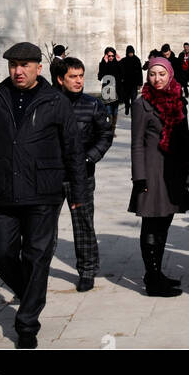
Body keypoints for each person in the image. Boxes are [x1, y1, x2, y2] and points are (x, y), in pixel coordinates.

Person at [0, 41, 87, 350]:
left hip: (43, 191)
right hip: (3, 189)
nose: (18, 70)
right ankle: (30, 292)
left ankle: (27, 322)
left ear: (38, 68)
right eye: (14, 65)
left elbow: (73, 147)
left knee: (37, 255)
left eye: (25, 65)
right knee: (2, 254)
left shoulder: (55, 100)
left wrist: (78, 191)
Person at [129, 54, 189, 297]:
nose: (156, 79)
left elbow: (184, 136)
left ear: (170, 75)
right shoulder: (141, 104)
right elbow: (136, 144)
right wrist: (139, 178)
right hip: (152, 172)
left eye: (162, 74)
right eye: (152, 74)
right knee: (151, 223)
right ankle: (152, 278)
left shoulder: (178, 100)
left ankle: (156, 273)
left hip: (173, 171)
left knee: (165, 221)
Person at [56, 57, 114, 290]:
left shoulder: (92, 104)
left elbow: (105, 135)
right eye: (73, 76)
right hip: (52, 174)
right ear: (61, 79)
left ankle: (87, 270)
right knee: (44, 226)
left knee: (83, 223)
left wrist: (89, 157)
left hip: (81, 175)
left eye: (81, 76)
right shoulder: (49, 103)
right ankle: (34, 272)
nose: (79, 81)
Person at [97, 47, 121, 128]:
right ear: (106, 56)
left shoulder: (118, 63)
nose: (111, 57)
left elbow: (122, 74)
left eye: (112, 56)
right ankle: (110, 128)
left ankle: (113, 126)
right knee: (108, 110)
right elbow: (100, 77)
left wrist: (119, 62)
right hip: (107, 90)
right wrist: (105, 63)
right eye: (109, 56)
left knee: (115, 111)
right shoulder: (103, 64)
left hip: (116, 90)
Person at [118, 46, 143, 114]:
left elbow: (140, 72)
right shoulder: (123, 61)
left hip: (134, 84)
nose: (130, 54)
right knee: (126, 98)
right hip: (126, 84)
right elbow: (119, 69)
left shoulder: (137, 60)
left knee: (134, 99)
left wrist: (140, 83)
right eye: (129, 53)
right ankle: (127, 106)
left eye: (131, 53)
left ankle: (133, 112)